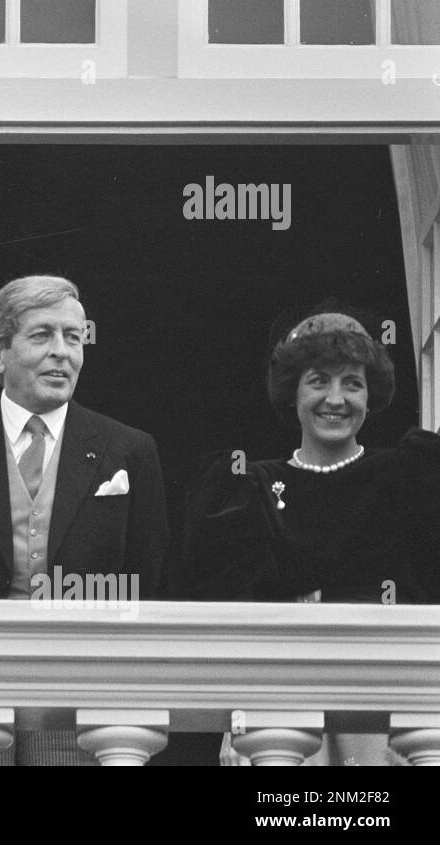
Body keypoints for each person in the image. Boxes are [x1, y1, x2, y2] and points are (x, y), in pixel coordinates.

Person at [0, 274, 170, 763]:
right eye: (42, 335)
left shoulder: (129, 449)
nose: (62, 352)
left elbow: (148, 581)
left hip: (82, 689)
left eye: (74, 337)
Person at [182, 308, 440, 764]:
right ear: (294, 391)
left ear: (370, 393)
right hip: (285, 696)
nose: (335, 399)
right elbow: (235, 617)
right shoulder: (250, 485)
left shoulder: (406, 475)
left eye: (352, 383)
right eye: (319, 380)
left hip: (385, 696)